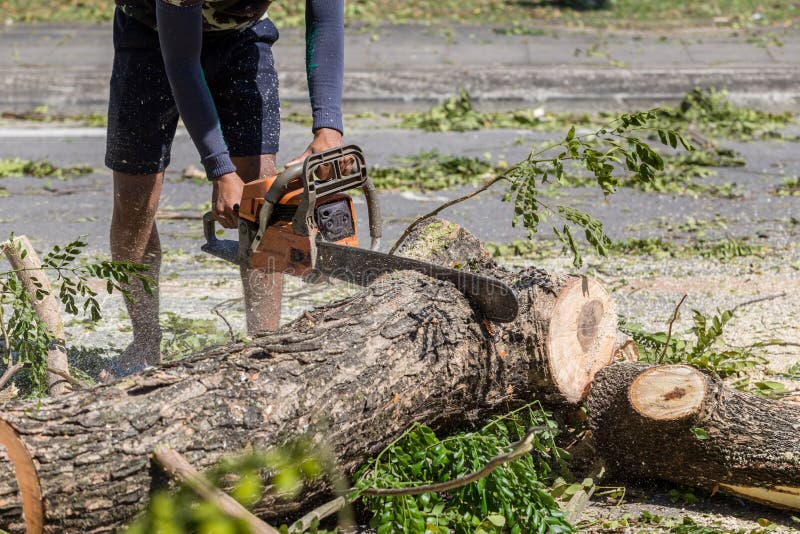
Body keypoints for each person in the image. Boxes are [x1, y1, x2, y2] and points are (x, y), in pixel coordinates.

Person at [104, 0, 344, 377]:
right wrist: (220, 168)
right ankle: (145, 342)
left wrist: (328, 130)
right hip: (150, 34)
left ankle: (264, 343)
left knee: (260, 190)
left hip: (241, 35)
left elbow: (326, 20)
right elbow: (182, 64)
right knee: (135, 200)